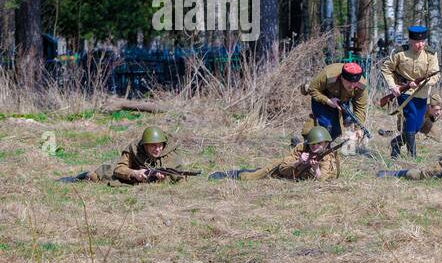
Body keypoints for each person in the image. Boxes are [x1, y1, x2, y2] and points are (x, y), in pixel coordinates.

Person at [379, 26, 442, 159]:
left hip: (422, 92)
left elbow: (435, 75)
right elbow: (386, 68)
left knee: (417, 125)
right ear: (410, 41)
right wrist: (393, 87)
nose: (421, 45)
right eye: (417, 42)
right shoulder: (399, 52)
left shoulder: (431, 54)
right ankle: (412, 156)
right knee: (411, 117)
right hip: (403, 91)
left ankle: (396, 143)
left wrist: (423, 82)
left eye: (423, 42)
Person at [60, 125, 190, 184]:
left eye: (160, 145)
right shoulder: (134, 148)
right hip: (128, 175)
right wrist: (135, 173)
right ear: (145, 145)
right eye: (153, 146)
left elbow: (178, 174)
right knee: (94, 176)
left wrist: (163, 179)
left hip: (142, 181)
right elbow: (119, 169)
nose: (158, 149)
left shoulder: (171, 151)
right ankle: (76, 178)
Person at [211, 126, 341, 181]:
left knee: (259, 172)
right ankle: (228, 175)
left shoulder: (327, 156)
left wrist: (316, 168)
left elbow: (323, 179)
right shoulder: (302, 148)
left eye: (319, 144)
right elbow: (283, 168)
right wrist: (299, 161)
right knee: (254, 176)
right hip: (283, 171)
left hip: (293, 177)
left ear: (325, 143)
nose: (315, 147)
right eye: (313, 144)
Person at [301, 61, 368, 140]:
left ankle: (324, 148)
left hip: (340, 100)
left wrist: (358, 128)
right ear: (342, 77)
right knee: (326, 126)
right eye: (349, 82)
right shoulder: (329, 75)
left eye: (355, 83)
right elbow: (313, 89)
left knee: (336, 132)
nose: (352, 86)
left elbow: (360, 108)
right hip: (322, 94)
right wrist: (328, 101)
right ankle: (309, 139)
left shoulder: (362, 86)